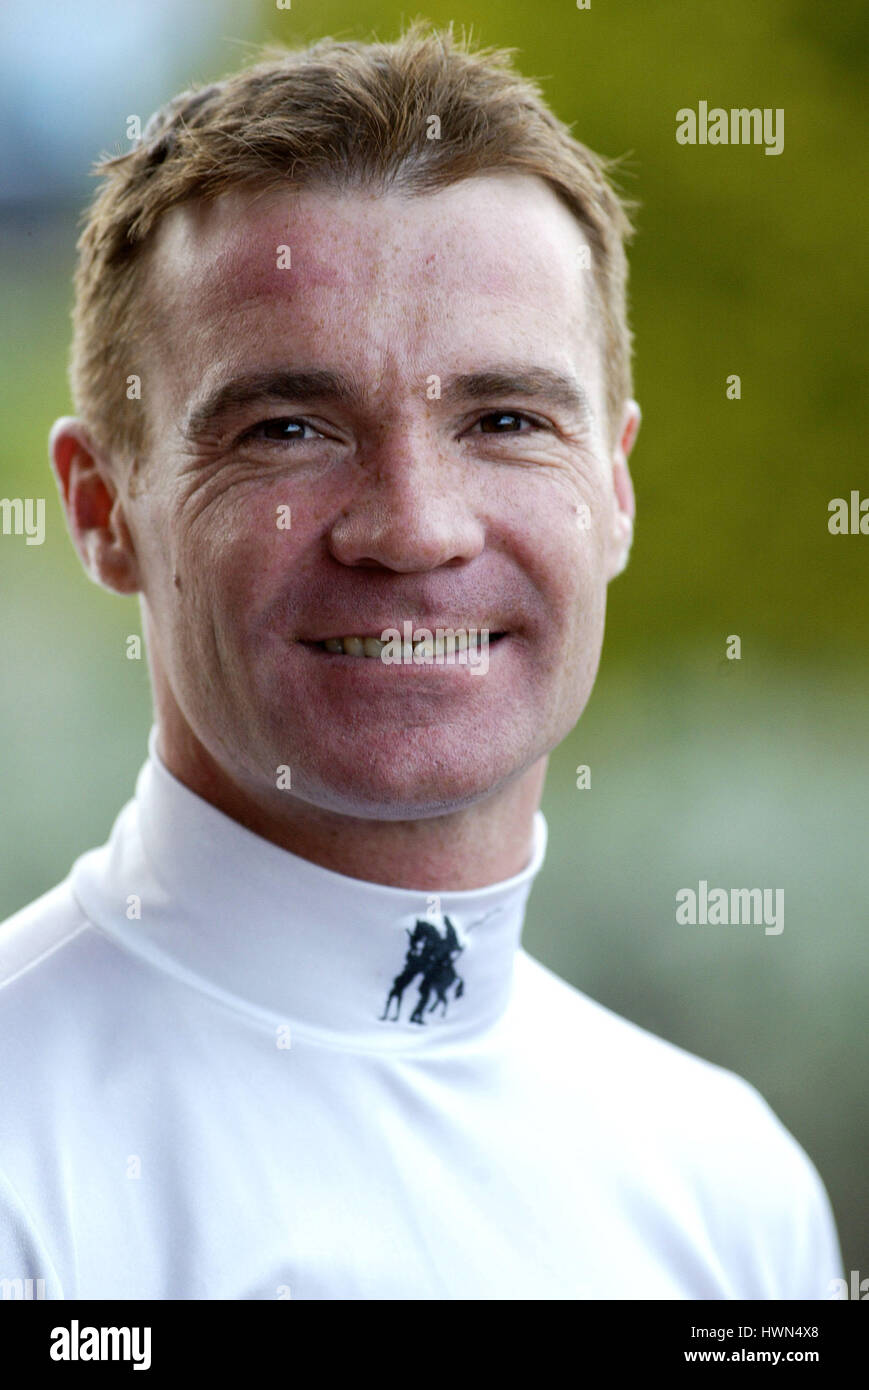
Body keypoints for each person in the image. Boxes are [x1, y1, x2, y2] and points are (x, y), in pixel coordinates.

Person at [0, 24, 842, 1300]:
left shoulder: (733, 1191)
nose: (413, 528)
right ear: (101, 507)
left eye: (504, 419)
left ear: (613, 489)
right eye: (287, 429)